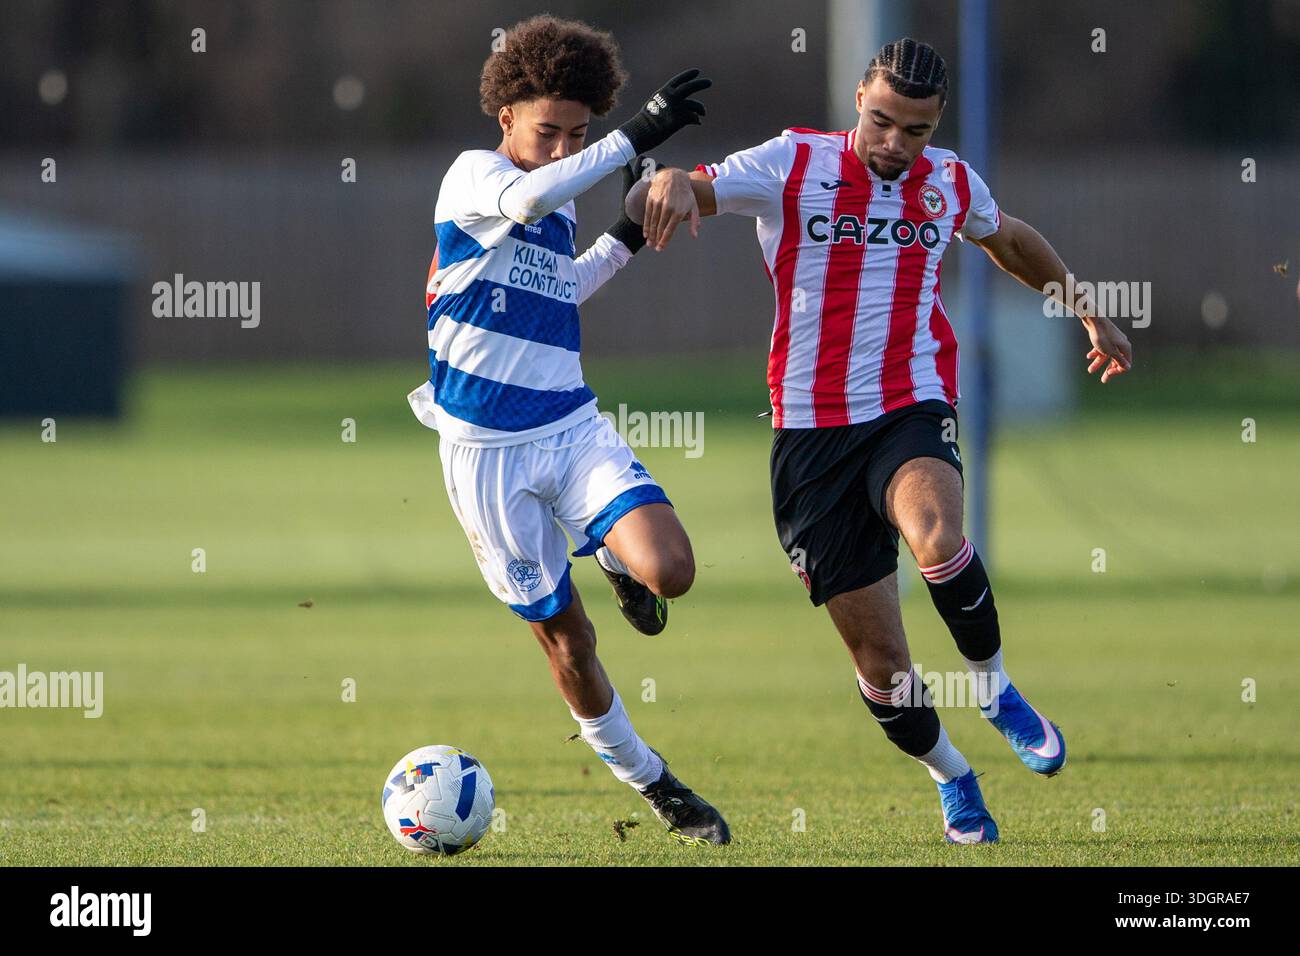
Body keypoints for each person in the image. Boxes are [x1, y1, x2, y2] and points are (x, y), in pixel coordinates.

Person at [631, 37, 1133, 843]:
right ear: (859, 97)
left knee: (937, 537)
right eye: (883, 121)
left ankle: (994, 688)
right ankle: (953, 776)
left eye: (918, 130)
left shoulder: (950, 183)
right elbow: (698, 186)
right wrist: (667, 184)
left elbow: (1008, 238)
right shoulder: (794, 162)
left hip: (909, 405)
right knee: (882, 666)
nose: (897, 144)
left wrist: (1088, 307)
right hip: (809, 437)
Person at [407, 15, 729, 845]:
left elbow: (562, 288)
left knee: (673, 570)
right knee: (569, 641)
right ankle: (654, 784)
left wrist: (626, 232)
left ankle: (612, 554)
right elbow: (531, 193)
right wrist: (639, 136)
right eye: (547, 131)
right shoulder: (475, 178)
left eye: (576, 135)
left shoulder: (551, 205)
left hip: (569, 426)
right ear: (505, 116)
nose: (560, 150)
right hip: (484, 458)